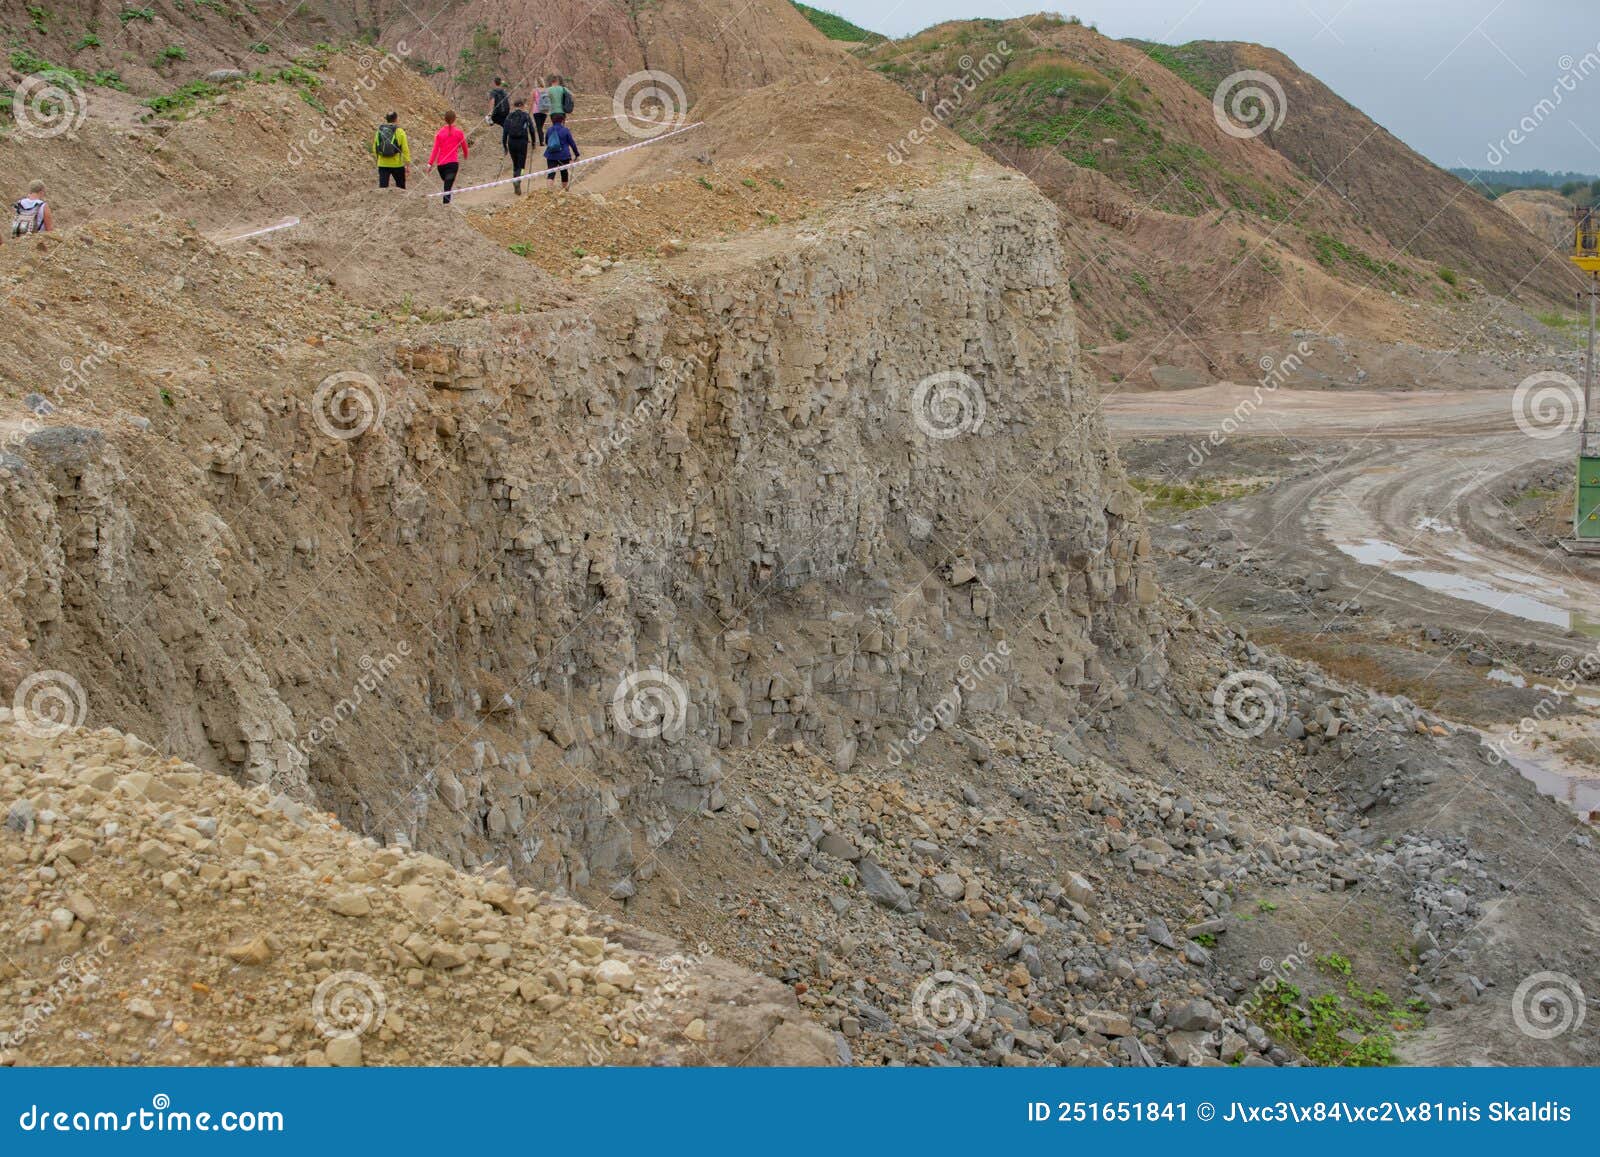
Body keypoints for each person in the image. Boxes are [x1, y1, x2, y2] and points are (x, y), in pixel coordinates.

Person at [426, 111, 469, 204]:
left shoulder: (439, 133)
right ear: (454, 119)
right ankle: (446, 206)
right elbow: (465, 147)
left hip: (441, 165)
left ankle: (447, 203)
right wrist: (465, 155)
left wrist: (430, 164)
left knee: (447, 185)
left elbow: (435, 150)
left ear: (444, 119)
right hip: (452, 164)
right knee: (447, 186)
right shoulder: (459, 133)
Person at [502, 98, 535, 195]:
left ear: (514, 106)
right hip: (522, 142)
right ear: (521, 106)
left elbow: (505, 132)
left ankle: (515, 177)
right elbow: (532, 130)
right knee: (522, 165)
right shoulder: (525, 116)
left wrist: (505, 146)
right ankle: (518, 180)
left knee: (515, 163)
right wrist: (533, 142)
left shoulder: (509, 116)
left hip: (511, 142)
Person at [371, 111, 409, 189]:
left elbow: (375, 148)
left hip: (382, 164)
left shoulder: (379, 131)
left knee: (383, 189)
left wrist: (379, 159)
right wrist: (407, 163)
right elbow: (405, 149)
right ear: (396, 119)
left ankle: (383, 201)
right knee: (401, 188)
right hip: (397, 164)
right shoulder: (400, 131)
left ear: (387, 119)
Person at [544, 112, 579, 189]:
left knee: (551, 173)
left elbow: (546, 142)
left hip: (551, 155)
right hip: (563, 155)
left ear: (552, 120)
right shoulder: (565, 130)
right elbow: (572, 143)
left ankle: (549, 191)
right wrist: (576, 153)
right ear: (562, 120)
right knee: (564, 173)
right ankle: (564, 191)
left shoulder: (549, 130)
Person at [530, 79, 547, 146]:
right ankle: (542, 140)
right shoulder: (546, 90)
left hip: (536, 110)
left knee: (538, 126)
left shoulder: (534, 91)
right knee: (541, 126)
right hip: (544, 110)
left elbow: (531, 102)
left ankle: (541, 141)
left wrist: (530, 111)